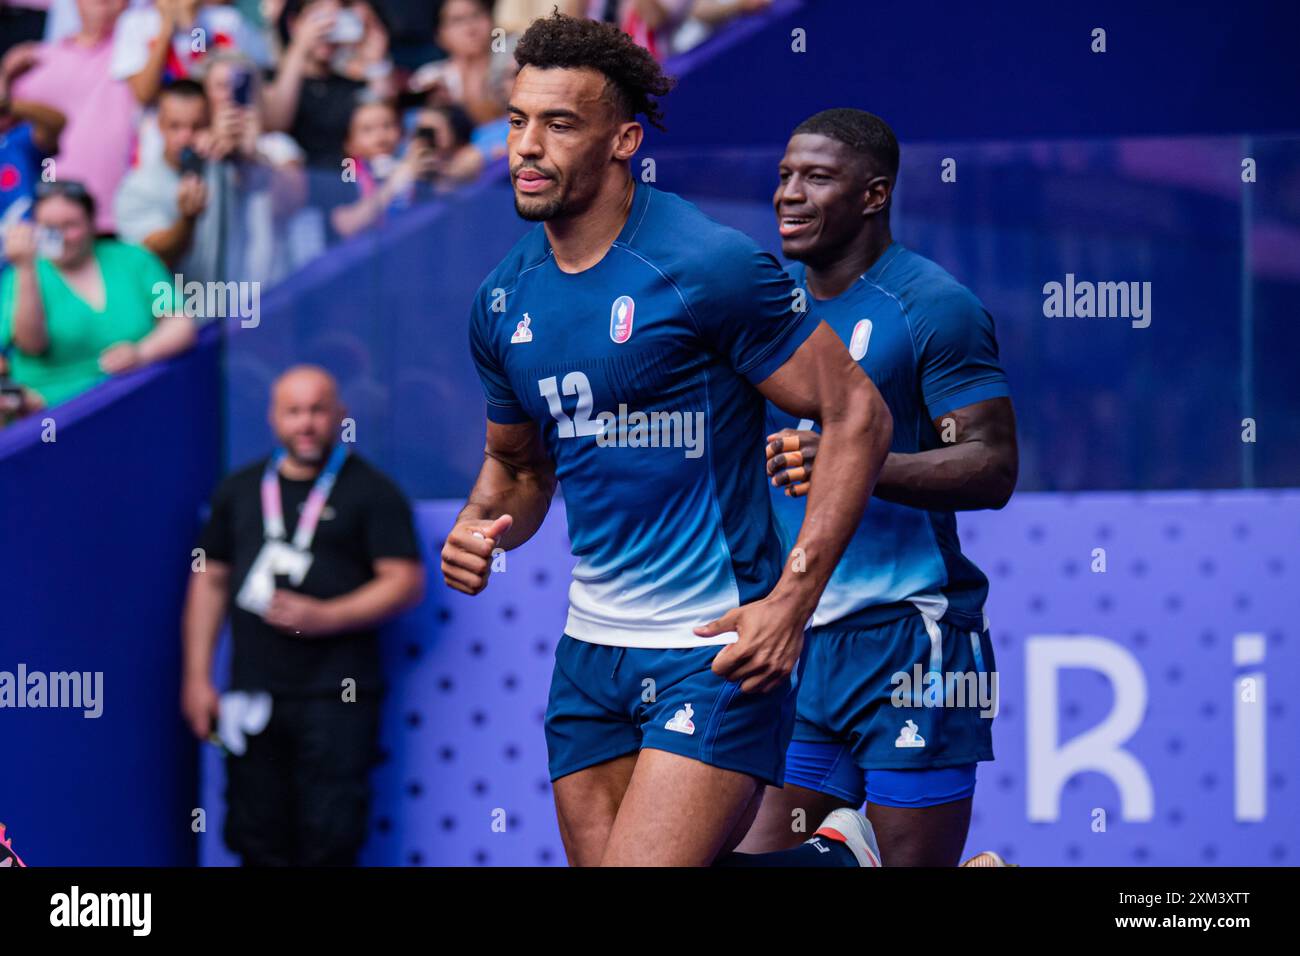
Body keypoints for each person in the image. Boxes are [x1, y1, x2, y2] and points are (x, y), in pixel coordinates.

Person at [439, 13, 893, 867]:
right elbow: (516, 464)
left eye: (560, 123)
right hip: (589, 654)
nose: (528, 146)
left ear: (624, 140)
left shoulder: (705, 265)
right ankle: (833, 860)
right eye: (517, 120)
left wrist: (792, 603)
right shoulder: (502, 302)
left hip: (712, 646)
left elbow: (858, 414)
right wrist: (476, 526)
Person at [736, 109, 1019, 866]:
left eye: (817, 178)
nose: (789, 195)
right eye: (785, 176)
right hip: (799, 638)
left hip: (910, 639)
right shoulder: (768, 308)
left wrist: (853, 459)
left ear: (874, 194)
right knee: (759, 856)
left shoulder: (932, 306)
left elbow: (992, 466)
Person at [183, 365, 425, 867]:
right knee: (255, 832)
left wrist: (327, 615)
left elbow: (405, 581)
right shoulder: (239, 489)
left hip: (338, 694)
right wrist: (197, 678)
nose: (306, 423)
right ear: (274, 418)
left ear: (340, 414)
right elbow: (209, 581)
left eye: (317, 409)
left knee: (331, 834)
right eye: (293, 411)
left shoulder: (373, 491)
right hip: (252, 691)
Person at [0, 181, 196, 406]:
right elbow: (31, 344)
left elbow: (180, 323)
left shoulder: (133, 259)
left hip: (134, 398)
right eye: (49, 227)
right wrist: (25, 269)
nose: (60, 237)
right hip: (55, 411)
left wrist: (142, 353)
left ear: (92, 223)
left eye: (70, 225)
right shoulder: (19, 277)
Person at [4, 0, 137, 235]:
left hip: (123, 215)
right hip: (54, 214)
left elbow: (197, 54)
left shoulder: (139, 54)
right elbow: (6, 121)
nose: (103, 4)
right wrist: (4, 73)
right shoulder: (37, 59)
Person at [113, 78, 211, 272]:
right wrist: (187, 219)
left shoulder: (231, 168)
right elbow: (154, 254)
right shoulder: (138, 186)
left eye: (197, 126)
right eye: (175, 126)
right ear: (159, 125)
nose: (186, 137)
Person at [406, 0, 511, 124]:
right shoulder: (429, 77)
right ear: (440, 35)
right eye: (457, 20)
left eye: (476, 15)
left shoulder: (511, 68)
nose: (470, 28)